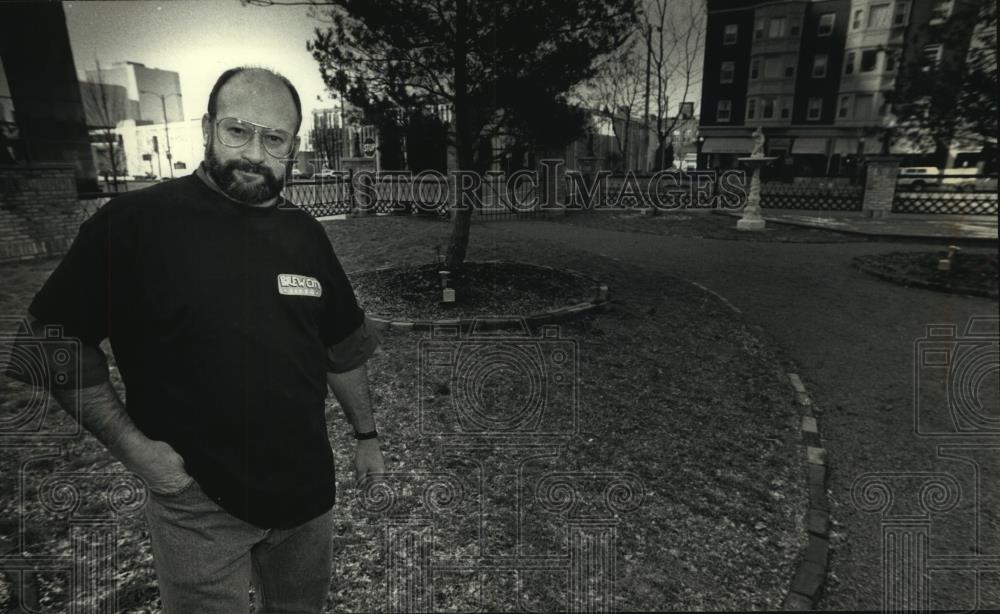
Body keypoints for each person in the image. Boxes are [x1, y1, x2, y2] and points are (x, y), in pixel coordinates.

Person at [7, 67, 384, 613]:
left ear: (293, 147)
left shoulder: (306, 234)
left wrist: (367, 436)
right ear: (208, 128)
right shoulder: (135, 224)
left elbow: (342, 346)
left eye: (274, 138)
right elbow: (48, 342)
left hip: (307, 497)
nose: (255, 153)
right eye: (238, 131)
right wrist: (140, 455)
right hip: (198, 503)